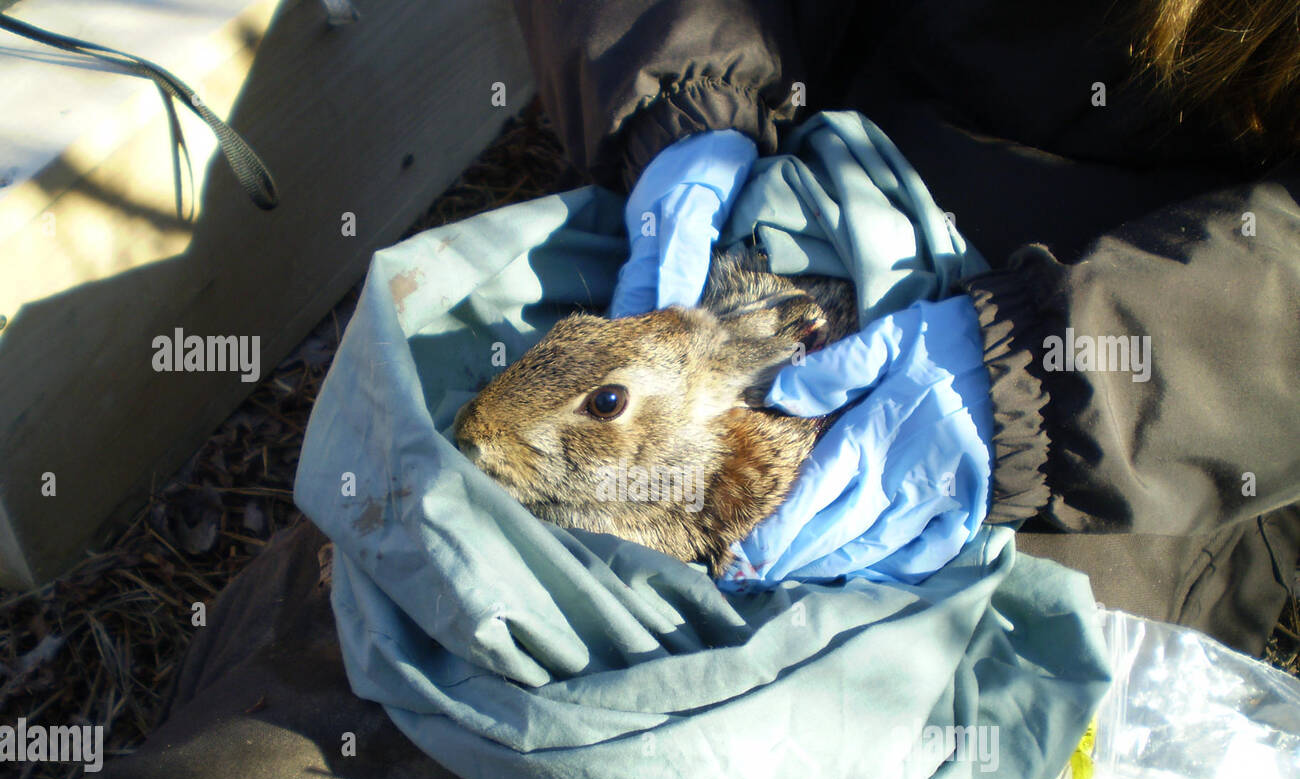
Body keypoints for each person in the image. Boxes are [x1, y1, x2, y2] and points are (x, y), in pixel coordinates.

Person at [513, 0, 1300, 656]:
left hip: (1164, 385)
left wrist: (1046, 379)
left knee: (865, 717)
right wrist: (686, 96)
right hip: (806, 137)